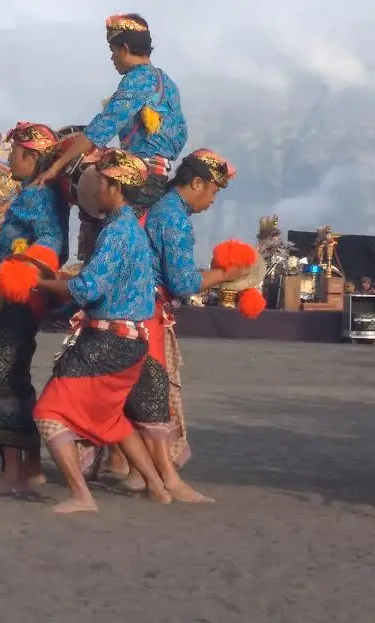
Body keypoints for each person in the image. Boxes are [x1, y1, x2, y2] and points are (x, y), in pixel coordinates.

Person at [32, 148, 172, 514]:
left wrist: (41, 283)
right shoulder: (131, 231)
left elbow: (87, 289)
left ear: (114, 187)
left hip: (108, 342)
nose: (94, 192)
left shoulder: (117, 234)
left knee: (48, 412)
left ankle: (81, 496)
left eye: (100, 184)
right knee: (111, 417)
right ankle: (158, 487)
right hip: (132, 341)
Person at [112, 148, 247, 501]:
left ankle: (140, 473)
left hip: (136, 308)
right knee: (153, 397)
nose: (213, 200)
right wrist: (224, 274)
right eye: (213, 191)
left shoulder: (165, 209)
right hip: (145, 314)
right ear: (197, 182)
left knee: (138, 395)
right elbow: (184, 283)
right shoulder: (172, 217)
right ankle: (165, 478)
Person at [35, 13, 187, 249]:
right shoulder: (167, 83)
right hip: (159, 177)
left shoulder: (138, 80)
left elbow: (102, 128)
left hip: (136, 180)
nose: (112, 57)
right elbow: (180, 136)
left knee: (106, 236)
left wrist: (57, 166)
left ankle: (88, 272)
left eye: (113, 50)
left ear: (125, 48)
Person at [0, 122, 68, 495]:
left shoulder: (37, 194)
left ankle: (14, 472)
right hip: (21, 294)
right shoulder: (40, 192)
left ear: (31, 156)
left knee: (5, 378)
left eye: (13, 152)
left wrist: (14, 269)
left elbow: (51, 242)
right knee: (15, 377)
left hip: (19, 295)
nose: (8, 159)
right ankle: (29, 468)